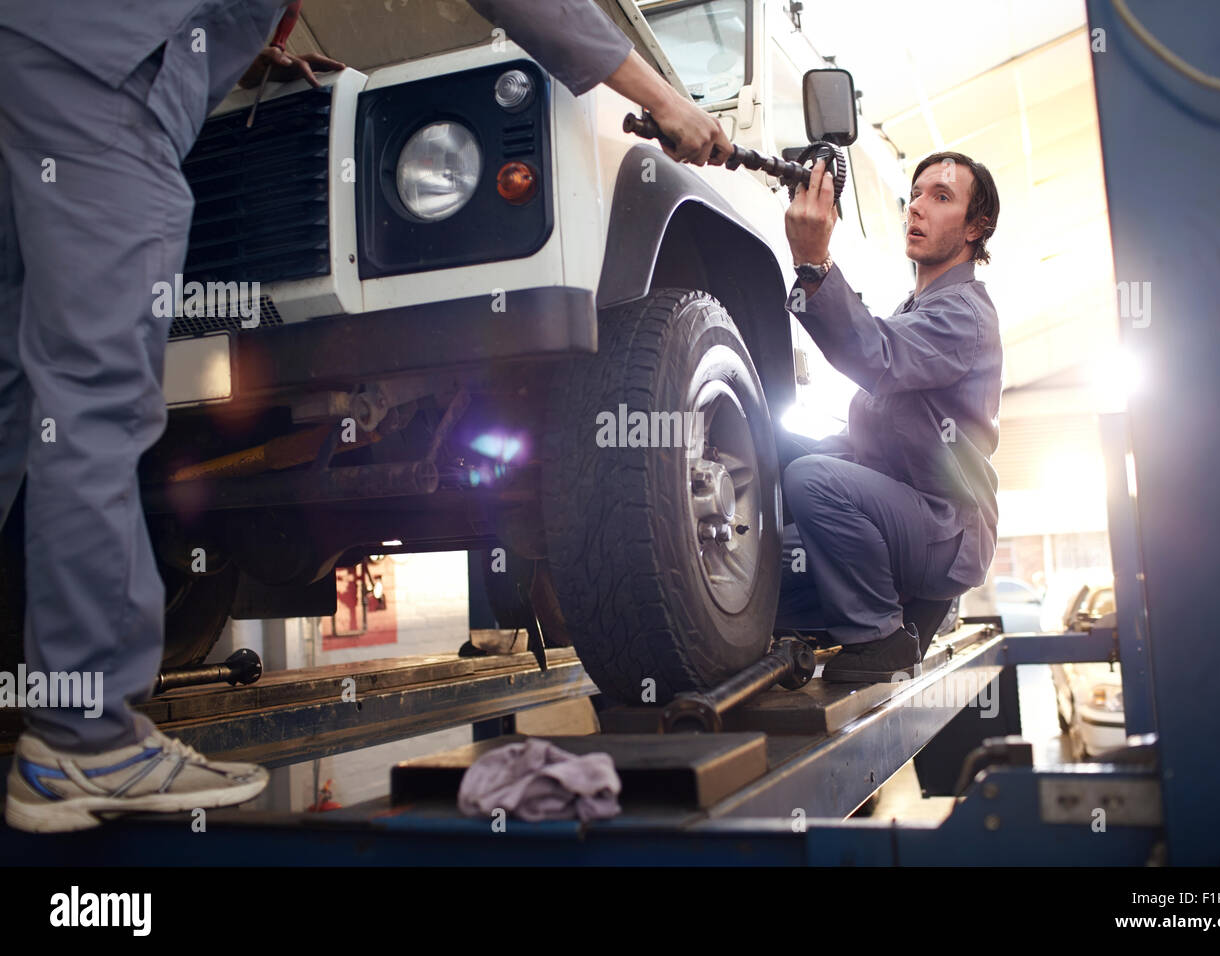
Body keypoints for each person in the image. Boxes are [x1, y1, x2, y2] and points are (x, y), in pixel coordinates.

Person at [0, 0, 729, 834]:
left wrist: (237, 60)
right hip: (106, 76)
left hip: (35, 59)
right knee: (92, 395)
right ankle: (85, 740)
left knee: (16, 403)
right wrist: (659, 94)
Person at [777, 151, 1003, 683]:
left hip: (940, 528)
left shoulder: (963, 314)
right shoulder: (915, 308)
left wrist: (814, 262)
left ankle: (880, 637)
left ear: (977, 226)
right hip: (898, 516)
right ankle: (863, 614)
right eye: (917, 193)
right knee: (770, 549)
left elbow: (876, 355)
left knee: (811, 480)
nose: (917, 208)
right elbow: (870, 441)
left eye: (942, 197)